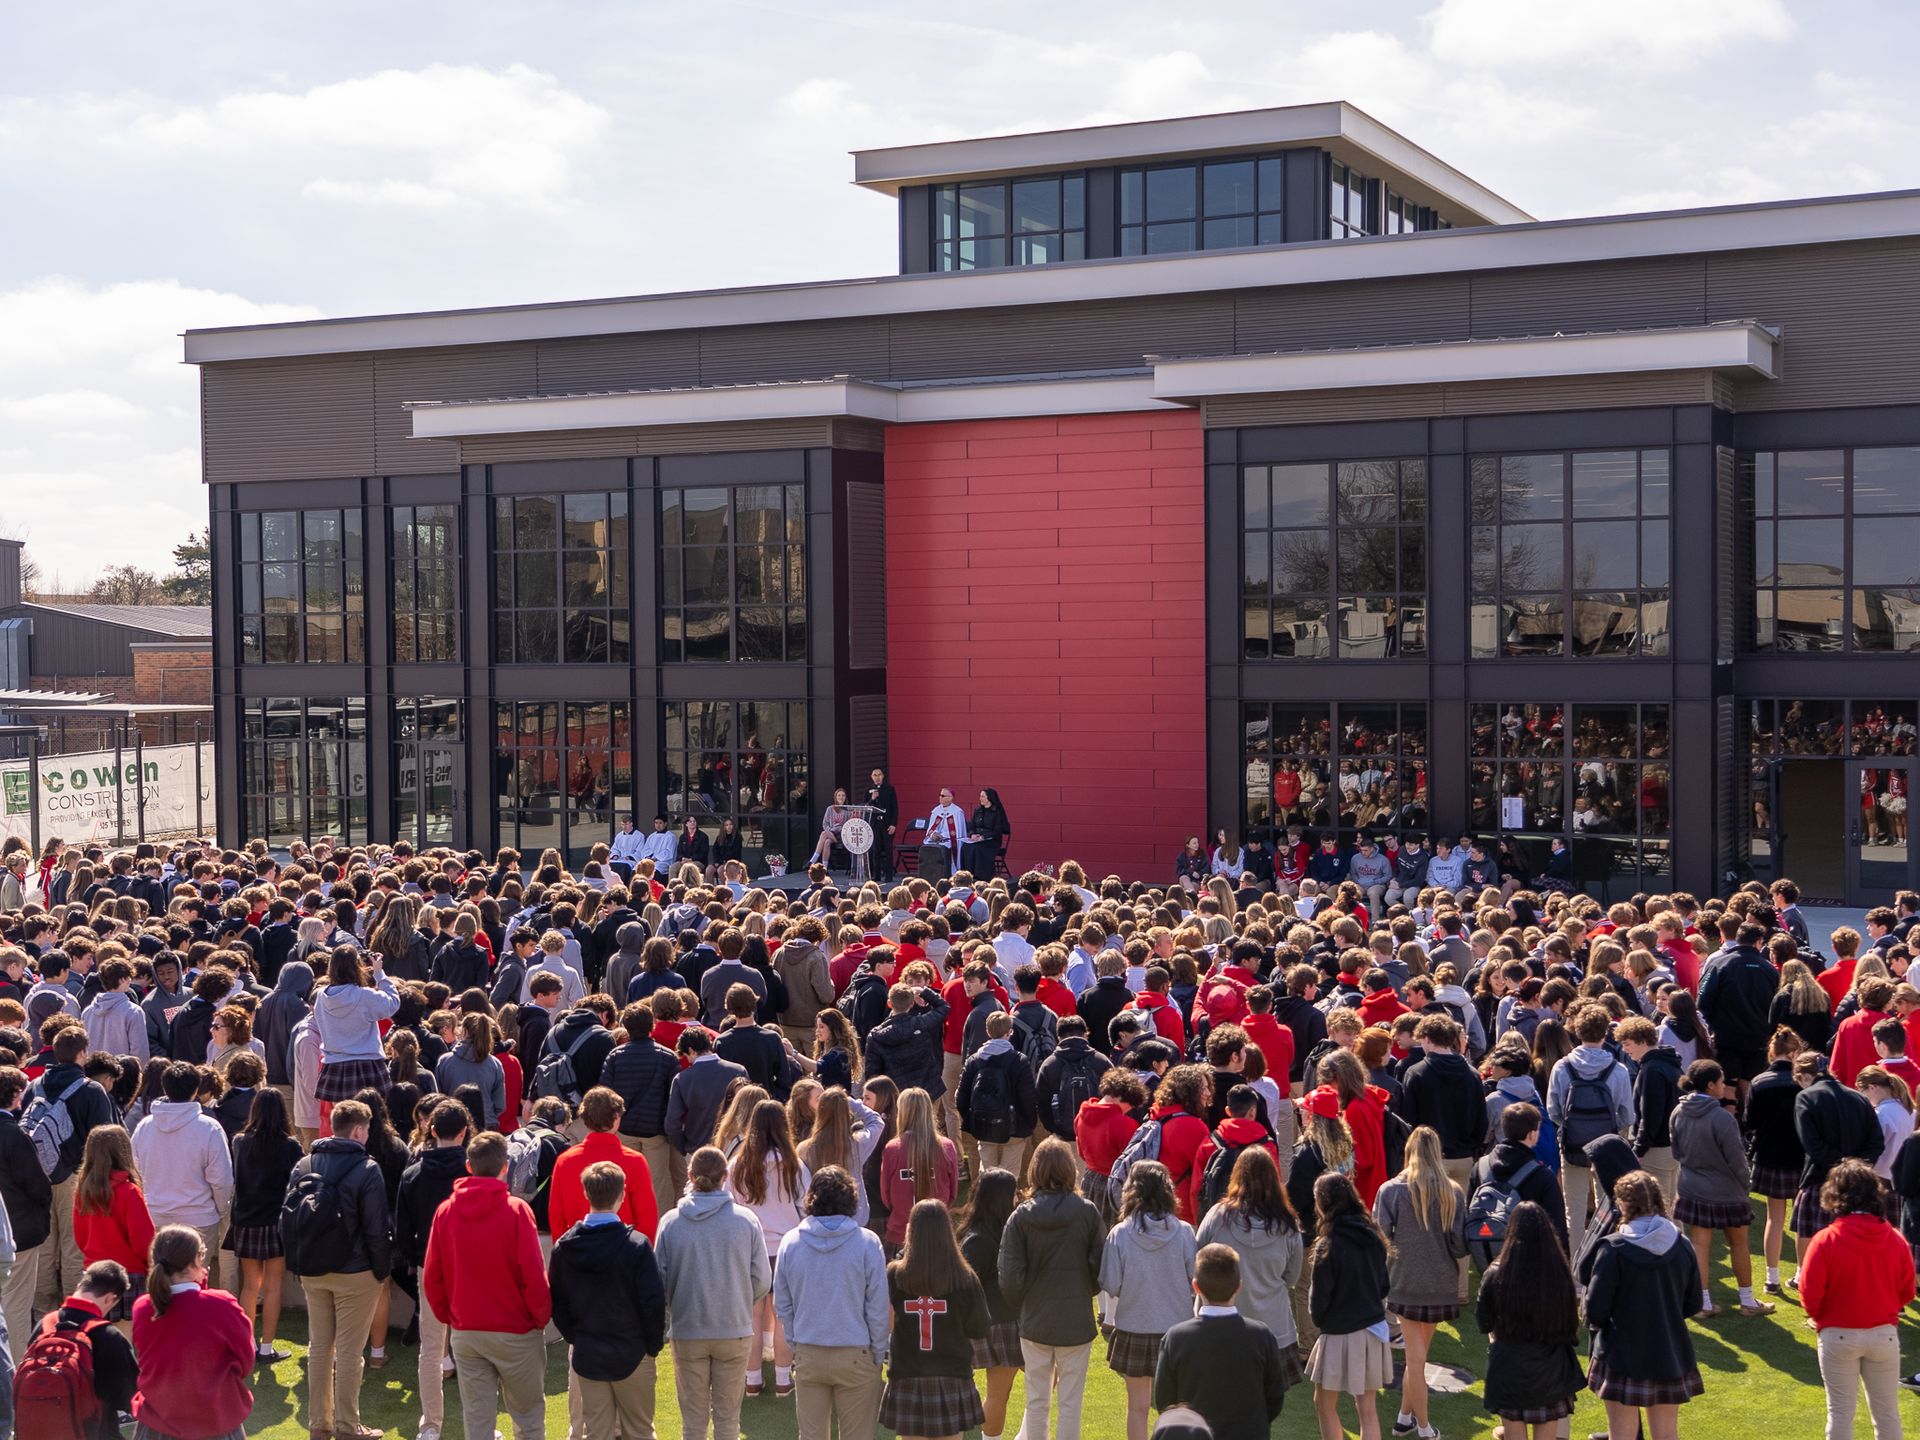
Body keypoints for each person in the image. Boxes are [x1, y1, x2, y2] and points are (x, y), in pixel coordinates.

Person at [423, 1128, 553, 1440]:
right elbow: (534, 1274)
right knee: (529, 1419)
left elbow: (432, 1276)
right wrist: (539, 1318)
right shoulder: (516, 1211)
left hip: (468, 1331)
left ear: (469, 1165)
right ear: (505, 1166)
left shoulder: (446, 1211)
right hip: (515, 1331)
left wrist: (452, 1317)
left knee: (478, 1422)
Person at [282, 1099, 393, 1440]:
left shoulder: (305, 1163)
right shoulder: (367, 1168)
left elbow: (288, 1218)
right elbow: (377, 1229)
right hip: (356, 1272)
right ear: (359, 1130)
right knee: (348, 1352)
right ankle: (347, 1426)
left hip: (313, 1269)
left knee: (319, 1348)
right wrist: (381, 1271)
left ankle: (320, 1424)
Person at [654, 1146, 771, 1440]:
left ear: (691, 1176)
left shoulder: (670, 1222)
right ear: (726, 1176)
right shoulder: (745, 1221)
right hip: (733, 1327)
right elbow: (761, 1279)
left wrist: (676, 1305)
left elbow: (660, 1279)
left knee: (693, 1421)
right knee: (728, 1420)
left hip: (689, 1328)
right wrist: (740, 1302)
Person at [550, 1159, 669, 1440]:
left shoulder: (564, 1248)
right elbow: (653, 1303)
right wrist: (651, 1347)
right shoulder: (637, 1245)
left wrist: (577, 1338)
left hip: (590, 1352)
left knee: (597, 1433)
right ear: (623, 1193)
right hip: (632, 1352)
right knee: (639, 1431)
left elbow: (558, 1304)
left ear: (585, 1194)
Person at [1796, 1157, 1914, 1440]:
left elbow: (1810, 1294)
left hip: (1837, 1336)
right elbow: (1907, 1291)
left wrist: (1820, 1316)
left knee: (1840, 1413)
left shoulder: (1825, 1240)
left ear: (1835, 1195)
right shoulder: (1896, 1239)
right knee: (1887, 1415)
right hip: (1883, 1335)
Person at [1583, 1171, 1704, 1440]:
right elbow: (1693, 1302)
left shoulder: (1613, 1249)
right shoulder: (1682, 1245)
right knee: (1666, 1436)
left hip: (1621, 1354)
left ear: (1624, 1205)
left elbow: (1596, 1310)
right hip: (1668, 1352)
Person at [772, 1165, 889, 1440]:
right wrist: (878, 1350)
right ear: (851, 1199)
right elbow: (877, 1306)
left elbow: (782, 1303)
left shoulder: (790, 1242)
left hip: (809, 1351)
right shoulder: (867, 1243)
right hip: (856, 1353)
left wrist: (795, 1341)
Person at [999, 1137, 1104, 1440]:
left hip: (1036, 1320)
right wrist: (1084, 1291)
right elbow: (1100, 1267)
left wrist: (1025, 1303)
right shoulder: (1086, 1212)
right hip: (1074, 1319)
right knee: (1070, 1402)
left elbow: (1009, 1275)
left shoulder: (1022, 1216)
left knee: (1037, 1400)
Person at [1371, 1126, 1466, 1440]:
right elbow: (1458, 1245)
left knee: (1416, 1357)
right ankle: (1413, 1423)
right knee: (1418, 1356)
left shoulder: (1391, 1190)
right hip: (1441, 1282)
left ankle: (1414, 1424)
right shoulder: (1452, 1192)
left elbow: (1379, 1239)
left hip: (1404, 1282)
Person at [1101, 1159, 1201, 1440]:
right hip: (1177, 1330)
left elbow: (1110, 1284)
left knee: (1138, 1407)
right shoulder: (1184, 1232)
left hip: (1134, 1326)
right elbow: (1195, 1278)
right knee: (1177, 1407)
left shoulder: (1119, 1234)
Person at [1152, 1242, 1290, 1440]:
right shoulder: (1261, 1336)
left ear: (1195, 1286)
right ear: (1239, 1286)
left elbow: (1165, 1401)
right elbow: (1274, 1396)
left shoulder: (1176, 1338)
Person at [1474, 1200, 1587, 1440]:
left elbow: (1484, 1322)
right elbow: (1571, 1325)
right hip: (1551, 1371)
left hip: (1509, 1369)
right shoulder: (1559, 1273)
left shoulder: (1496, 1274)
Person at [130, 1226, 256, 1440]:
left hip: (158, 1420)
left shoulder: (143, 1307)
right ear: (194, 1262)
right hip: (215, 1419)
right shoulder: (222, 1304)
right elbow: (245, 1359)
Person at [879, 1197, 989, 1440]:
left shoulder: (894, 1274)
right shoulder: (965, 1277)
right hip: (952, 1374)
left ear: (911, 1231)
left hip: (908, 1374)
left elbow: (883, 1324)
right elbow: (980, 1327)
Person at [1671, 1057, 1773, 1315]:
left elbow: (1677, 1151)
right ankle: (1748, 1301)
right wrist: (1745, 1184)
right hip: (1727, 1189)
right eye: (1720, 1080)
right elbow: (1737, 1160)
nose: (1723, 1084)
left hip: (1692, 1186)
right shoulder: (1722, 1118)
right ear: (1710, 1085)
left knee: (1699, 1244)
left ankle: (1702, 1303)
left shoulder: (1677, 1112)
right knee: (1739, 1243)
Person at [394, 1099, 470, 1440]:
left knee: (432, 1347)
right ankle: (473, 1422)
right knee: (470, 1347)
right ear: (464, 1132)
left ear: (432, 1130)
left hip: (431, 1265)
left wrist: (419, 1258)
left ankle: (431, 1425)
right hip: (466, 1266)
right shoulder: (471, 1172)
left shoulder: (414, 1173)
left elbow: (402, 1230)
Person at [726, 1097, 809, 1397]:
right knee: (785, 1315)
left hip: (750, 1250)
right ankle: (784, 1380)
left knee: (752, 1316)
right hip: (788, 1248)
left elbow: (728, 1206)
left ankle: (752, 1379)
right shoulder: (794, 1165)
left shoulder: (738, 1165)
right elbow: (807, 1205)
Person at [1305, 1170, 1390, 1440]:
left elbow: (1318, 1303)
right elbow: (1384, 1287)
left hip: (1339, 1332)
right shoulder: (1373, 1236)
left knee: (1324, 1404)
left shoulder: (1326, 1246)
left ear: (1322, 1203)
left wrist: (1321, 1319)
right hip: (1373, 1330)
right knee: (1367, 1408)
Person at [130, 1060, 234, 1272]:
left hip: (155, 1215)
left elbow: (134, 1171)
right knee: (194, 1284)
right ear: (196, 1090)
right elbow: (222, 1179)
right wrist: (219, 1209)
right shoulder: (209, 1128)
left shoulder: (144, 1127)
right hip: (198, 1217)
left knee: (159, 1284)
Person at [1545, 1004, 1633, 1250]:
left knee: (1573, 1211)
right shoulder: (1618, 1070)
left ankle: (1575, 1271)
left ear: (1576, 1031)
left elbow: (1553, 1110)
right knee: (1606, 1210)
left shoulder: (1562, 1067)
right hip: (1606, 1146)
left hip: (1572, 1144)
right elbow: (1627, 1115)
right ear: (1606, 1032)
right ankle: (1600, 1262)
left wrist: (1571, 1127)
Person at [31, 1259, 138, 1440]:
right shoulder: (108, 1336)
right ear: (110, 1298)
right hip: (94, 1432)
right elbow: (129, 1396)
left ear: (82, 1282)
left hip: (41, 1430)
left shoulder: (45, 1325)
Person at [955, 1167, 1023, 1439]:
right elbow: (963, 1286)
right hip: (1001, 1325)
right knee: (998, 1395)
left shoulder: (984, 1233)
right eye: (1013, 1193)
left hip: (1000, 1321)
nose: (1018, 1197)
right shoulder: (982, 1239)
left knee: (1044, 1380)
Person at [601, 999, 683, 1220]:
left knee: (625, 1184)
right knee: (657, 1186)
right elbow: (674, 1095)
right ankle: (656, 1232)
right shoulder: (667, 1057)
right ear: (652, 1026)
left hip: (624, 1128)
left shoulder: (615, 1056)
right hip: (655, 1130)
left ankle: (627, 1223)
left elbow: (605, 1093)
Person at [1793, 1051, 1884, 1242]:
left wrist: (1843, 1169)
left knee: (1813, 1246)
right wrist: (1855, 1168)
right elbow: (1876, 1143)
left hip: (1821, 1181)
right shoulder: (1859, 1098)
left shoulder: (1805, 1097)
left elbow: (1813, 1146)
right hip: (1858, 1186)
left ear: (1803, 1076)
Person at [548, 1087, 659, 1242]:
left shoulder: (565, 1160)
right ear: (616, 1117)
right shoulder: (635, 1161)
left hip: (577, 1251)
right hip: (624, 1252)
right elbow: (647, 1216)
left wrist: (564, 1252)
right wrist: (640, 1254)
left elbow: (556, 1216)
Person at [69, 1125, 153, 1320]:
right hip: (129, 1274)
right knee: (128, 1342)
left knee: (97, 1342)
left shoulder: (83, 1192)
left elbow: (80, 1238)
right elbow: (144, 1242)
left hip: (94, 1274)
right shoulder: (129, 1192)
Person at [0, 1066, 51, 1361]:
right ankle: (16, 1374)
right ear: (16, 1095)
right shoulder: (14, 1135)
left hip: (13, 1228)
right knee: (16, 1307)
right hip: (18, 1234)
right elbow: (38, 1186)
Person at [311, 944, 401, 1102]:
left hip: (335, 1067)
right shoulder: (364, 995)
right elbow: (393, 1002)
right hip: (367, 1065)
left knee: (342, 1122)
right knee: (372, 1122)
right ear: (357, 967)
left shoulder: (320, 996)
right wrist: (379, 973)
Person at [958, 1009, 1039, 1177]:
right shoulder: (1019, 1060)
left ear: (988, 1031)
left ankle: (987, 1203)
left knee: (987, 1175)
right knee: (1010, 1175)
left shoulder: (974, 1061)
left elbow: (962, 1097)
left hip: (984, 1126)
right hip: (1014, 1128)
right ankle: (1007, 1203)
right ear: (1010, 1032)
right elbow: (1028, 1097)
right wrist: (1028, 1123)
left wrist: (972, 1118)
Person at [879, 1088, 959, 1253]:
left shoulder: (892, 1148)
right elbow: (952, 1193)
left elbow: (886, 1196)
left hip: (900, 1233)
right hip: (938, 1231)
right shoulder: (946, 1146)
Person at [1615, 1015, 1684, 1203]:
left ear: (1642, 1041)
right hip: (1672, 1146)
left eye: (1627, 1043)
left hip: (1656, 1150)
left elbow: (1650, 1115)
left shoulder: (1652, 1070)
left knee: (1658, 1207)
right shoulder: (1668, 1063)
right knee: (1671, 1207)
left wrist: (1639, 1149)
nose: (1625, 1049)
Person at [805, 787, 856, 871]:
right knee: (827, 842)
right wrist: (831, 830)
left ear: (845, 797)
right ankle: (824, 869)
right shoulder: (830, 809)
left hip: (842, 835)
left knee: (823, 834)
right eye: (839, 795)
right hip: (831, 834)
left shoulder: (848, 810)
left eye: (843, 795)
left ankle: (813, 860)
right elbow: (824, 824)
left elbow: (848, 826)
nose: (841, 797)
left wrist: (836, 829)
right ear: (835, 797)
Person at [963, 787, 1010, 879]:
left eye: (983, 796)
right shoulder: (978, 810)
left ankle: (981, 876)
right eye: (980, 796)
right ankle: (968, 875)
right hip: (977, 839)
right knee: (966, 846)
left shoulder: (997, 812)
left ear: (989, 798)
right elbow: (972, 826)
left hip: (991, 842)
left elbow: (997, 831)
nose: (980, 798)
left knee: (977, 848)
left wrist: (983, 837)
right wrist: (972, 835)